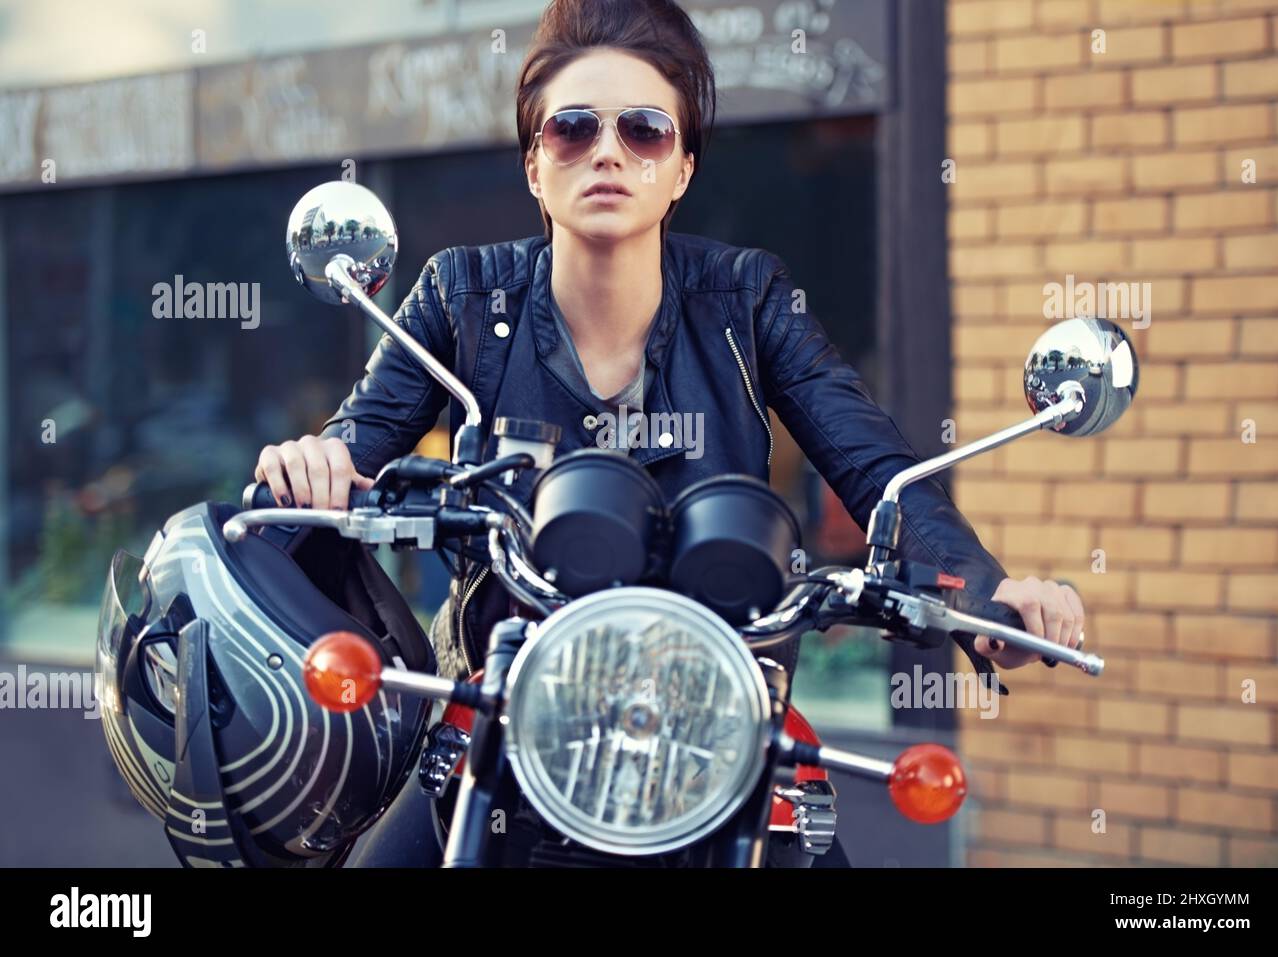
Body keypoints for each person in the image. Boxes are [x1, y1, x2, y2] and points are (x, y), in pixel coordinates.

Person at [253, 0, 1084, 866]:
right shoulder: (463, 294)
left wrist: (985, 597)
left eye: (644, 130)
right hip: (505, 724)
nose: (607, 151)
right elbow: (358, 442)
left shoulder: (748, 299)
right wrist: (317, 462)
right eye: (572, 129)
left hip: (713, 726)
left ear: (682, 167)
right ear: (535, 165)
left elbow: (876, 466)